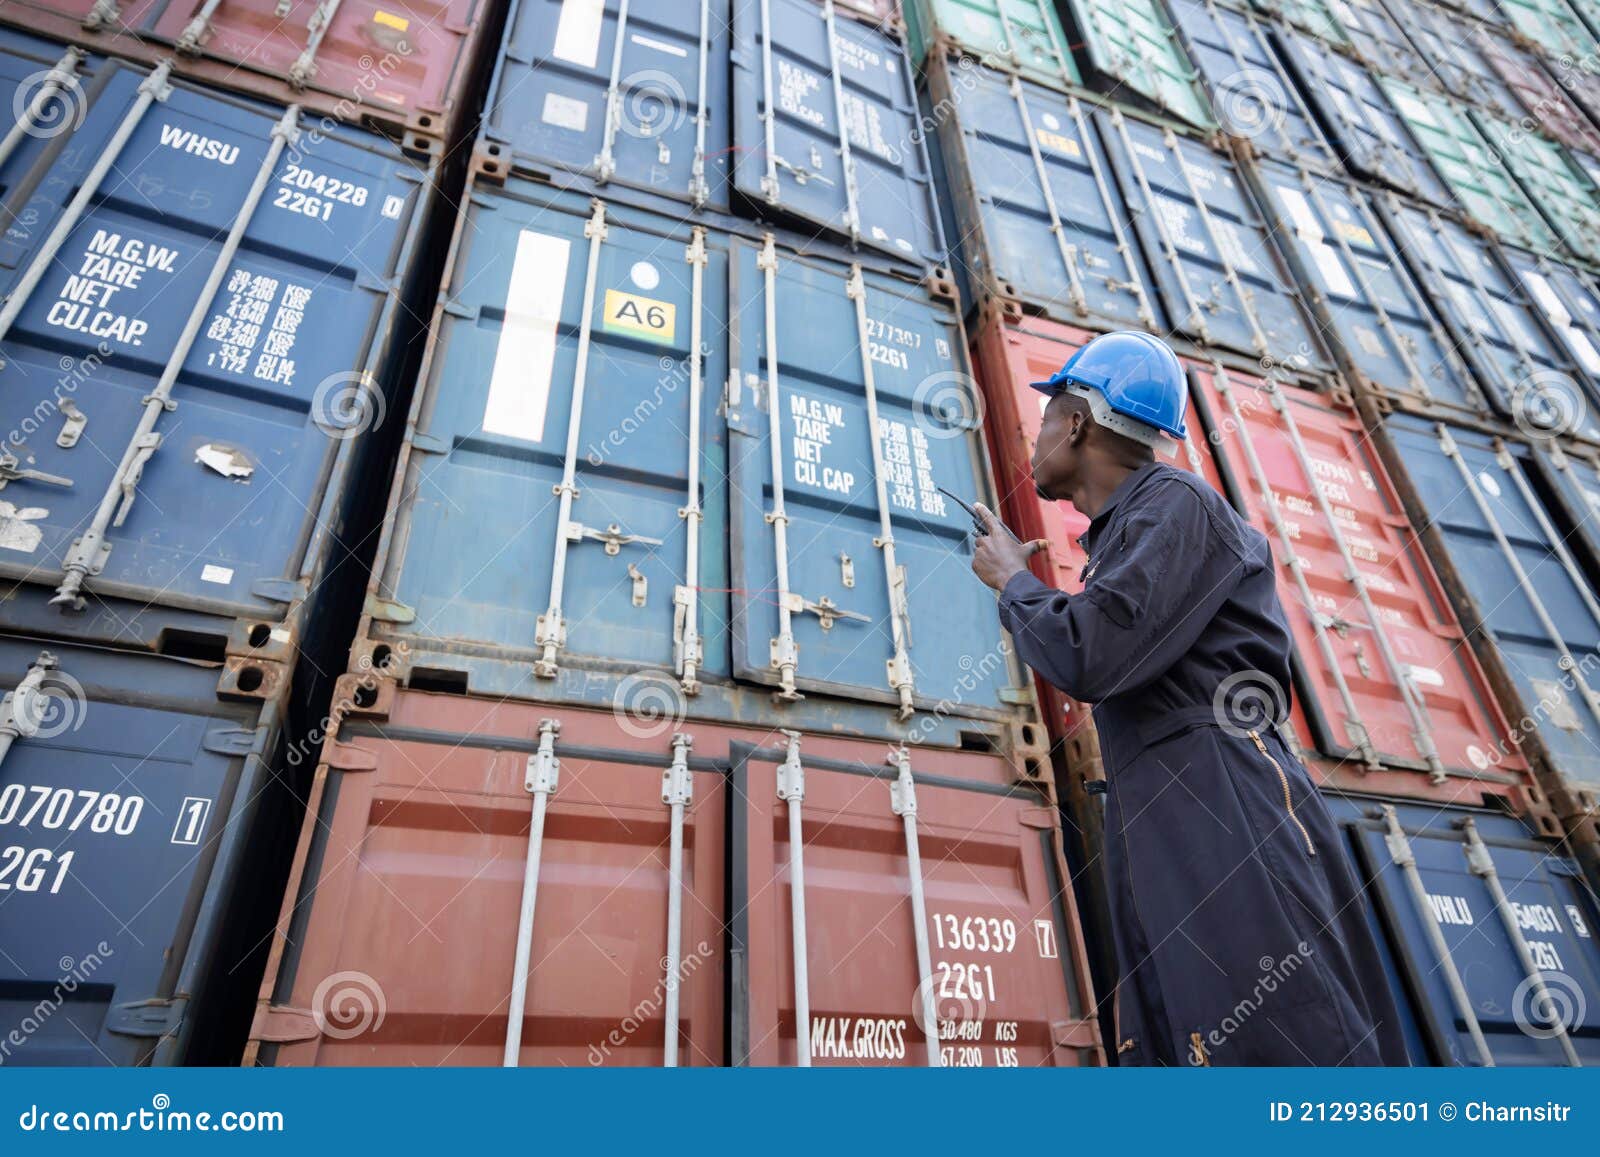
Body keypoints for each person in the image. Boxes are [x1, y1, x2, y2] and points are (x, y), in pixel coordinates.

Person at [969, 330, 1408, 1067]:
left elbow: (1091, 653)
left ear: (1076, 423)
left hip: (1223, 800)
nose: (1033, 438)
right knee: (1183, 1037)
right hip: (1172, 800)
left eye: (1045, 418)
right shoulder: (1138, 528)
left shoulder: (1177, 503)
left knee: (1279, 1039)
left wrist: (1014, 581)